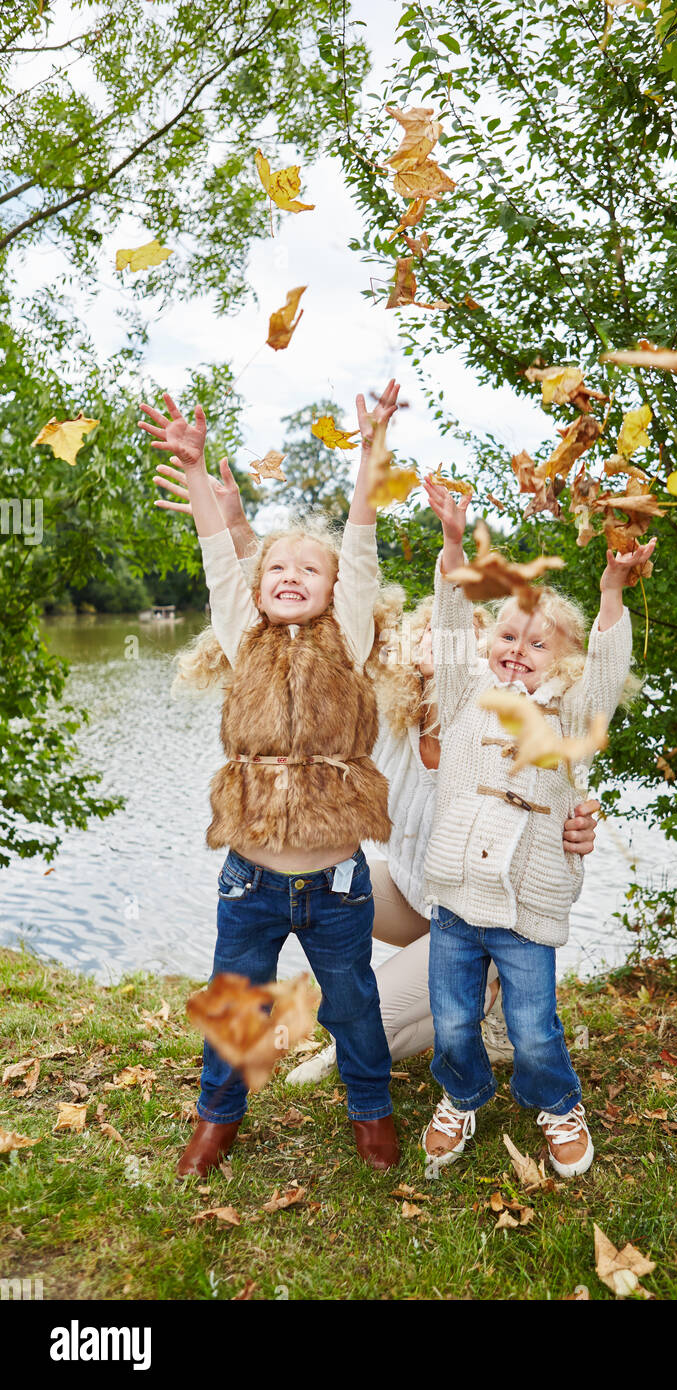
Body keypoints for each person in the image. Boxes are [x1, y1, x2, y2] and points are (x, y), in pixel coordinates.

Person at [153, 466, 602, 1084]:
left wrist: (576, 827)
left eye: (462, 641)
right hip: (419, 892)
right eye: (424, 636)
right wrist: (233, 522)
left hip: (481, 910)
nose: (435, 649)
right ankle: (453, 1003)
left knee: (372, 1019)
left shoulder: (499, 730)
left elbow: (552, 799)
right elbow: (290, 592)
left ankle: (482, 994)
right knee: (337, 922)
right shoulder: (380, 717)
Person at [139, 380, 404, 1176]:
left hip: (337, 881)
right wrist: (193, 470)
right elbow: (219, 555)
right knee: (238, 1006)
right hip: (249, 877)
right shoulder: (241, 630)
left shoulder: (350, 636)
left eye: (309, 570)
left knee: (354, 1005)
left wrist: (372, 452)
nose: (291, 575)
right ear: (257, 589)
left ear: (331, 591)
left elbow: (361, 540)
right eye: (277, 567)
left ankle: (371, 1110)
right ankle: (217, 1118)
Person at [419, 474, 654, 1179]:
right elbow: (448, 620)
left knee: (532, 1026)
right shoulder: (465, 694)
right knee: (454, 1020)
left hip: (528, 903)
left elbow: (611, 669)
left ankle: (557, 1102)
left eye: (540, 644)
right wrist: (454, 542)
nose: (520, 649)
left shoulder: (572, 712)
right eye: (510, 634)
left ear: (565, 661)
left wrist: (612, 589)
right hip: (458, 895)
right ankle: (461, 1094)